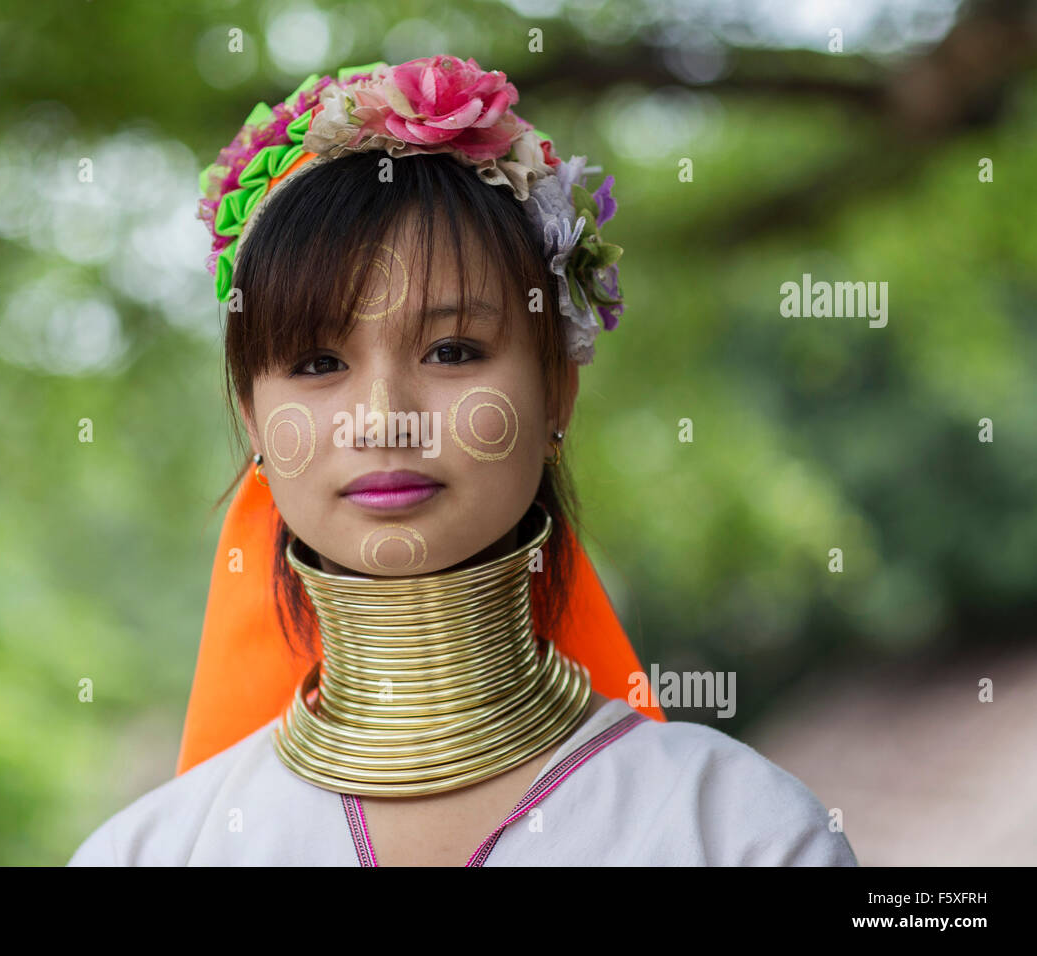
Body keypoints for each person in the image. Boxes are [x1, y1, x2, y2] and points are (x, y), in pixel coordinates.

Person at [68, 56, 858, 866]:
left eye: (452, 350)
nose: (384, 422)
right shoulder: (148, 853)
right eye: (315, 364)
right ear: (251, 417)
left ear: (557, 388)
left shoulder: (734, 830)